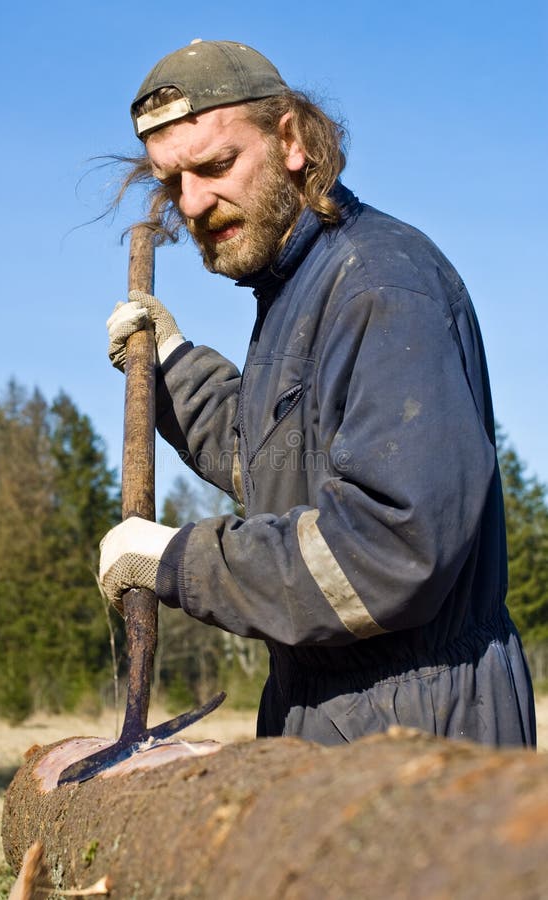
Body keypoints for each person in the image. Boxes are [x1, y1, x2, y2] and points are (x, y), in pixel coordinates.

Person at [99, 39, 536, 747]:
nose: (193, 203)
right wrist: (171, 364)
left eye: (216, 166)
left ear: (292, 141)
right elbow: (275, 462)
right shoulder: (295, 291)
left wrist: (182, 560)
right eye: (172, 181)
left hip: (418, 726)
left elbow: (392, 549)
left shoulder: (381, 285)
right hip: (327, 710)